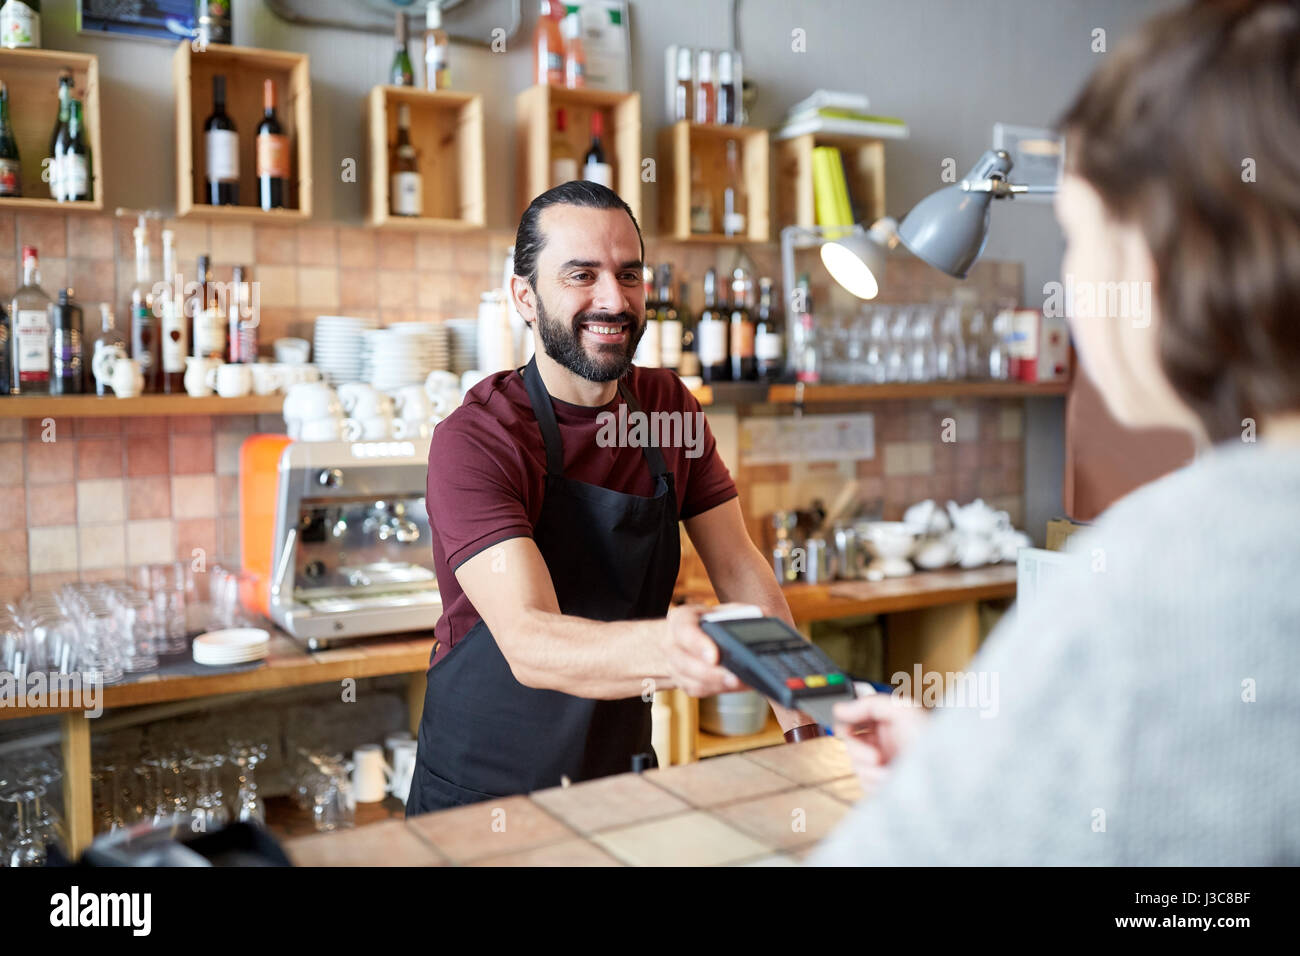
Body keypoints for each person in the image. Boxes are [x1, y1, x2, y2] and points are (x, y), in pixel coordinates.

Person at [810, 0, 1300, 865]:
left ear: (1162, 252)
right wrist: (977, 761)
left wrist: (964, 788)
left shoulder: (1157, 570)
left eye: (1076, 237)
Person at [406, 181, 820, 813]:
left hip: (620, 782)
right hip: (485, 797)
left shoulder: (667, 409)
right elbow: (530, 640)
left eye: (629, 274)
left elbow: (739, 566)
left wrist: (804, 716)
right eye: (581, 274)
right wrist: (677, 649)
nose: (613, 299)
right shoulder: (477, 437)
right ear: (524, 296)